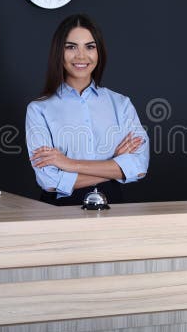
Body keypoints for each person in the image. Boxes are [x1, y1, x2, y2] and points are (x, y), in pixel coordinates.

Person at [25, 14, 149, 206]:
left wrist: (69, 164)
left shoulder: (121, 104)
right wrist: (116, 165)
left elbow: (139, 166)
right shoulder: (39, 109)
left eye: (90, 47)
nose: (81, 56)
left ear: (99, 52)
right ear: (59, 52)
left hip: (113, 208)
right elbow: (49, 181)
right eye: (71, 47)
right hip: (60, 210)